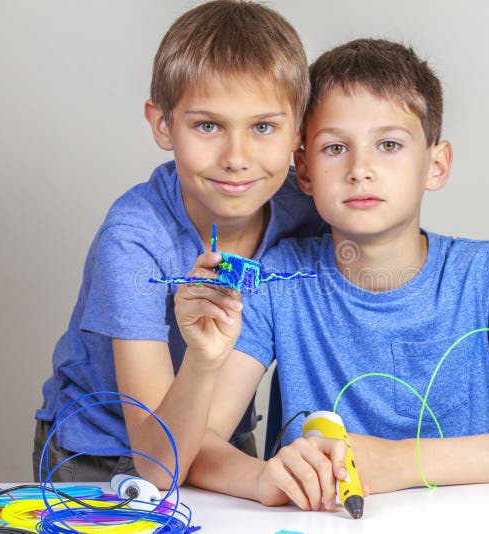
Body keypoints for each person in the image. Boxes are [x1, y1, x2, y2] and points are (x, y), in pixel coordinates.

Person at [184, 38, 489, 511]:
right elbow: (197, 444)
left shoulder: (483, 275)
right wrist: (262, 477)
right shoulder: (278, 280)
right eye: (335, 147)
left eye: (389, 144)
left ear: (436, 163)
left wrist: (401, 463)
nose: (360, 169)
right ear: (302, 170)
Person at [33, 0, 325, 486]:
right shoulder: (133, 241)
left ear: (298, 132)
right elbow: (156, 465)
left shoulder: (306, 210)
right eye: (207, 125)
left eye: (263, 127)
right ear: (163, 124)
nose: (237, 157)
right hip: (102, 454)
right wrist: (204, 358)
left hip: (220, 442)